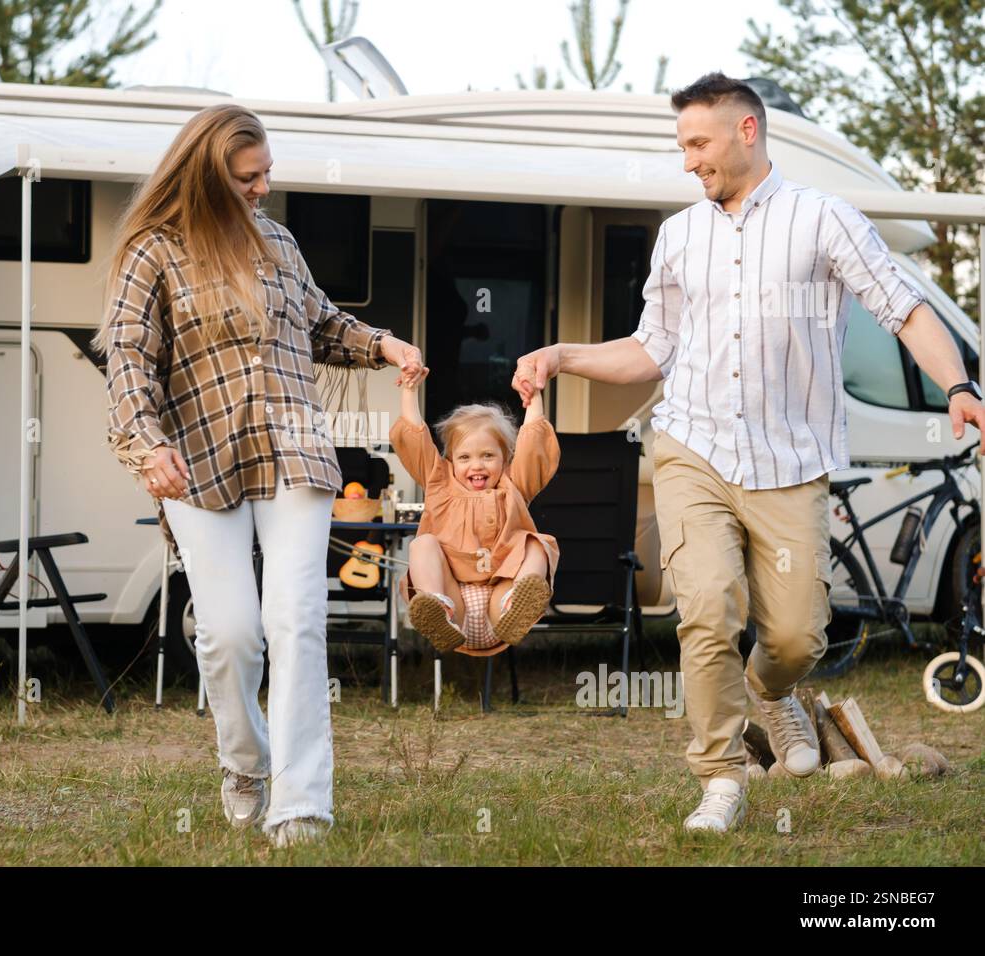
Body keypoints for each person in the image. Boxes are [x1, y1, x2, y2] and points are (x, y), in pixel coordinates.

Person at [514, 72, 985, 833]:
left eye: (697, 143)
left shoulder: (824, 219)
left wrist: (960, 383)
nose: (687, 160)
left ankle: (774, 692)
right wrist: (563, 352)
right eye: (681, 145)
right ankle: (722, 779)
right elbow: (650, 350)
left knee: (798, 637)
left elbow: (903, 307)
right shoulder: (679, 235)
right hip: (692, 447)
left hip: (790, 461)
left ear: (746, 131)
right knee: (706, 610)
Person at [96, 104, 425, 847]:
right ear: (208, 178)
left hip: (294, 452)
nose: (263, 188)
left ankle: (301, 803)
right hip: (195, 459)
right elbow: (127, 360)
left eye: (267, 172)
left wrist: (383, 346)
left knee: (297, 622)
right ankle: (245, 763)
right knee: (231, 634)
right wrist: (147, 445)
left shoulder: (278, 244)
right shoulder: (155, 252)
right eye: (249, 177)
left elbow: (321, 324)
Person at [390, 375, 560, 656]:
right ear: (450, 460)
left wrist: (534, 399)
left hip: (501, 610)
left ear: (505, 459)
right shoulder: (439, 483)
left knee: (537, 543)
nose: (476, 465)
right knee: (422, 544)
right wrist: (409, 391)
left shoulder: (514, 484)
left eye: (488, 456)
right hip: (453, 605)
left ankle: (518, 604)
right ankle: (435, 606)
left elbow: (533, 448)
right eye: (465, 457)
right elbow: (415, 441)